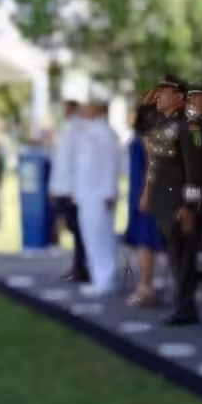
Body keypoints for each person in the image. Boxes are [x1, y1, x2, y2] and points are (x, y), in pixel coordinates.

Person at [140, 74, 202, 325]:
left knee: (184, 257)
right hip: (165, 203)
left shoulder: (190, 124)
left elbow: (196, 170)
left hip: (182, 204)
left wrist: (190, 206)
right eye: (157, 92)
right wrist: (145, 103)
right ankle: (182, 303)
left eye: (164, 92)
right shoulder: (162, 123)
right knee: (174, 255)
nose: (159, 95)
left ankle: (186, 307)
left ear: (180, 97)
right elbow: (142, 128)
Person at [69, 93, 123, 297]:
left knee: (101, 237)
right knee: (90, 237)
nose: (84, 109)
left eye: (88, 106)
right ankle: (98, 277)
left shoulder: (105, 133)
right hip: (87, 194)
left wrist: (109, 190)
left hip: (100, 194)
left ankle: (105, 279)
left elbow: (111, 164)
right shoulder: (88, 131)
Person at [123, 90, 166, 306]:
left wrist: (147, 194)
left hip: (145, 194)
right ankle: (148, 285)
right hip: (137, 192)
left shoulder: (153, 133)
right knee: (143, 242)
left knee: (146, 242)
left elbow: (153, 167)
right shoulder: (143, 132)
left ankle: (146, 287)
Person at [49, 100, 90, 283]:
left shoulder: (79, 130)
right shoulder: (69, 129)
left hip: (72, 190)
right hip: (65, 188)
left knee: (79, 230)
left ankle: (81, 267)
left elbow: (74, 164)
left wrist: (68, 189)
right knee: (75, 230)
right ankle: (78, 266)